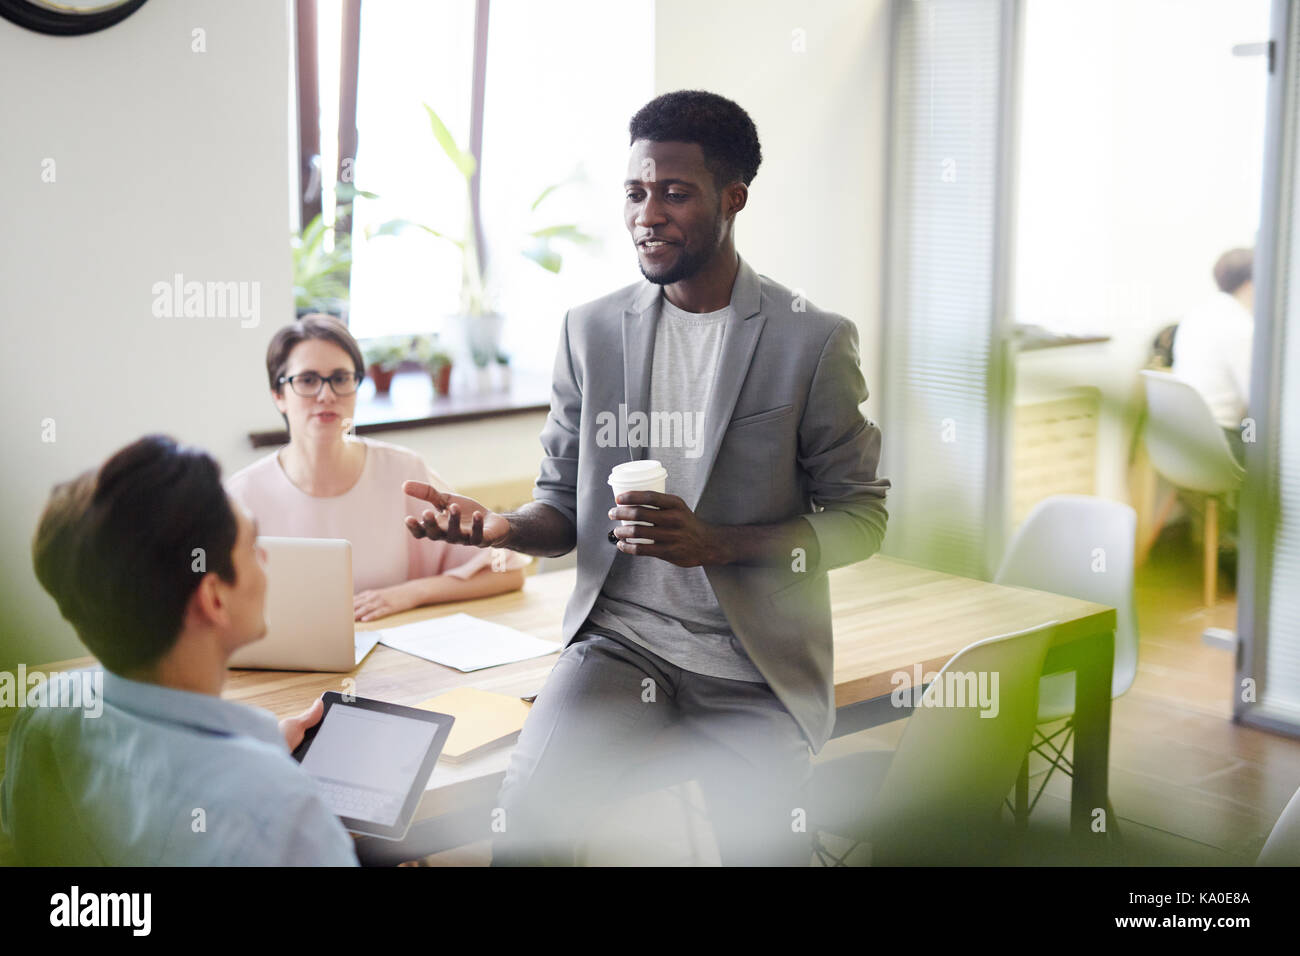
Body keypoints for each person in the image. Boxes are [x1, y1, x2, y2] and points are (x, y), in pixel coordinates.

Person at [403, 90, 890, 864]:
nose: (648, 214)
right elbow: (561, 506)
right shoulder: (590, 331)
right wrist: (500, 528)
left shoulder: (812, 340)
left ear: (734, 199)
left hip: (752, 670)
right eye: (635, 192)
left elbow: (862, 519)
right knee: (529, 824)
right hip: (622, 648)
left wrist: (717, 544)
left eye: (674, 192)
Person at [1, 436, 359, 865]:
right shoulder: (282, 812)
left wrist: (252, 756)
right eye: (252, 545)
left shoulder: (46, 711)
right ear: (214, 599)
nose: (264, 557)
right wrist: (257, 776)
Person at [226, 314, 528, 622]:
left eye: (341, 378)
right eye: (307, 380)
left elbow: (506, 570)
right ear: (278, 395)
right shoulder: (241, 496)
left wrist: (411, 593)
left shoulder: (404, 472)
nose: (326, 395)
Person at [1172, 247, 1255, 462]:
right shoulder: (1241, 325)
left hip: (1182, 434)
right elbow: (1255, 398)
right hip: (1221, 440)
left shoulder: (1197, 313)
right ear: (1249, 284)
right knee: (1268, 448)